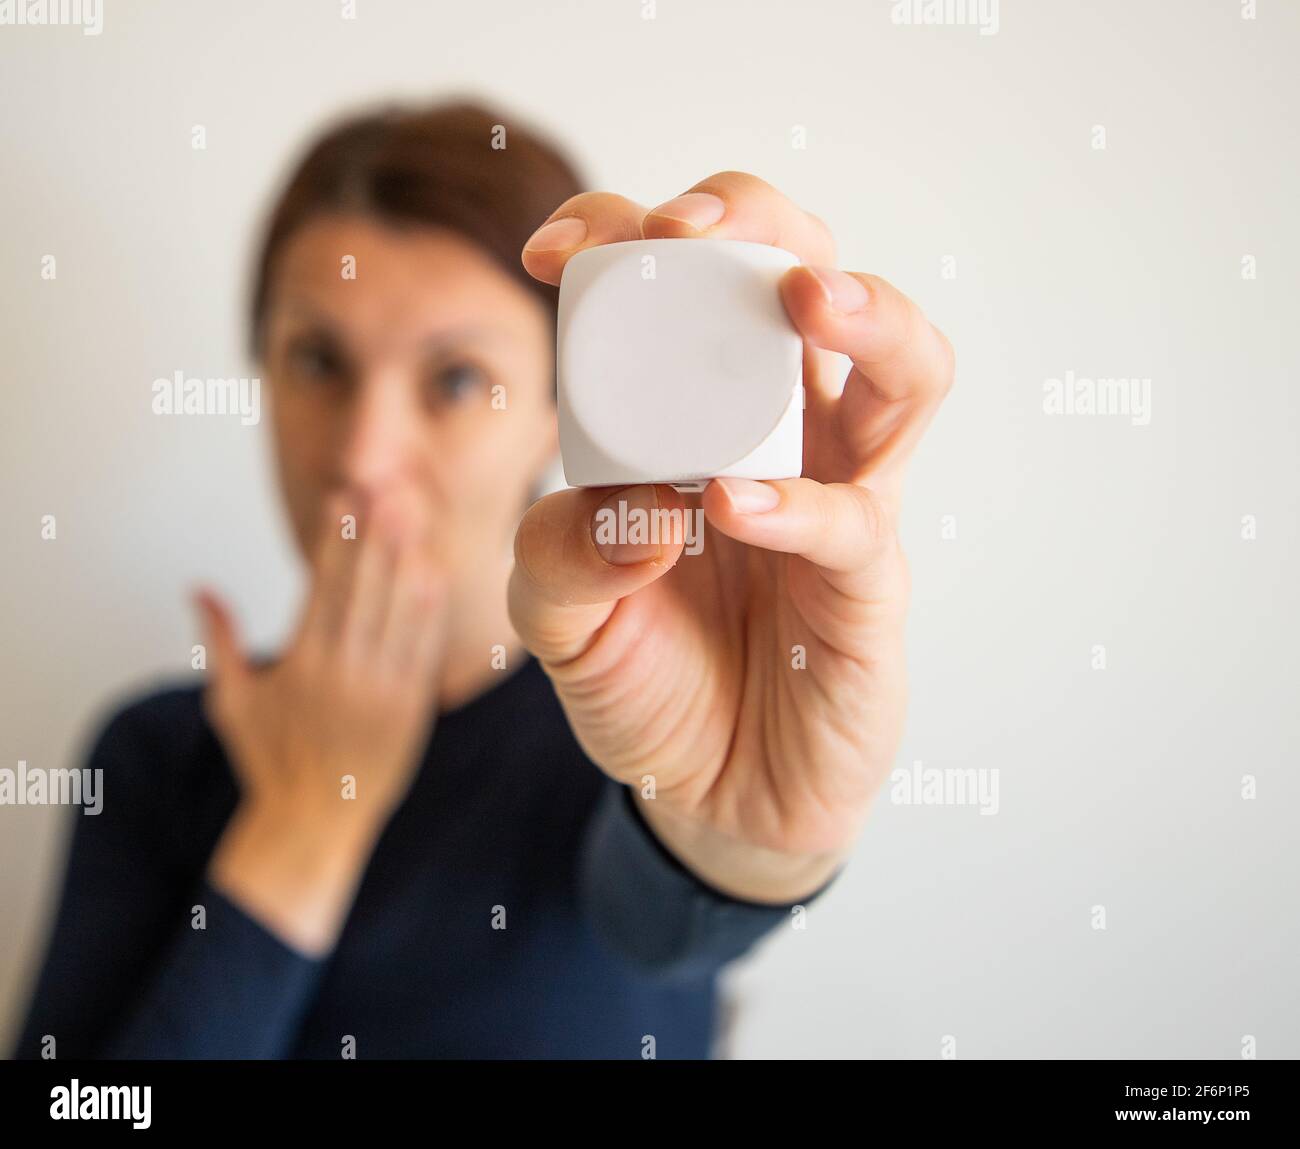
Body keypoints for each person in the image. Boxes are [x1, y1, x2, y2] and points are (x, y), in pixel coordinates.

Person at [12, 98, 954, 1059]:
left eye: (457, 379)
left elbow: (664, 923)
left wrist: (747, 848)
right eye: (318, 361)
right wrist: (301, 828)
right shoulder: (157, 756)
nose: (364, 456)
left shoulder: (638, 736)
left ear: (563, 406)